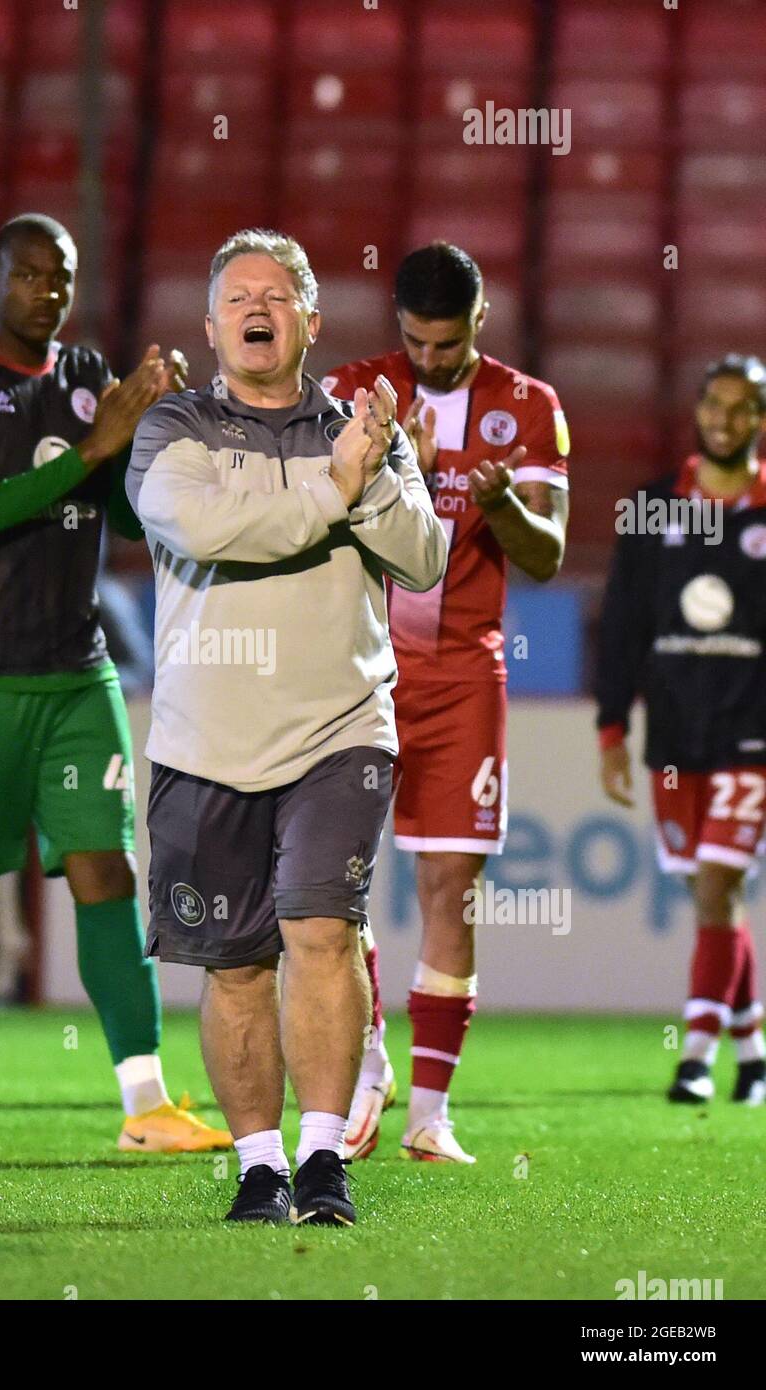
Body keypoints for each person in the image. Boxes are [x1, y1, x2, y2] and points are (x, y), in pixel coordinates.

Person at [0, 214, 231, 1153]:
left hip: (78, 675)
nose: (46, 290)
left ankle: (146, 1103)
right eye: (28, 274)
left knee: (106, 870)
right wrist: (88, 450)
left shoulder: (85, 380)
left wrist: (151, 432)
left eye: (60, 276)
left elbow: (121, 514)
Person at [127, 228, 446, 1224]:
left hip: (338, 727)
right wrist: (333, 485)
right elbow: (214, 530)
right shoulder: (170, 427)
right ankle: (258, 1164)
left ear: (309, 319)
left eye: (278, 293)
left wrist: (375, 467)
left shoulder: (361, 427)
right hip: (201, 737)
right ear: (212, 323)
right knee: (232, 964)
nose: (255, 308)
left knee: (320, 927)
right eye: (236, 296)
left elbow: (424, 554)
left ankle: (319, 1157)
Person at [325, 242, 570, 1163]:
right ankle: (370, 1060)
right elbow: (323, 513)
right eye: (417, 342)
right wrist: (397, 471)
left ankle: (431, 1115)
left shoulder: (529, 406)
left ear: (482, 320)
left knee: (449, 887)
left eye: (449, 342)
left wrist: (501, 506)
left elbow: (545, 554)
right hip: (359, 669)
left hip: (465, 673)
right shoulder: (361, 388)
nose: (430, 360)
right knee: (332, 878)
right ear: (399, 326)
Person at [597, 354, 766, 1106]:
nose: (725, 420)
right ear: (698, 412)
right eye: (715, 406)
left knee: (717, 888)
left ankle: (694, 1058)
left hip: (751, 735)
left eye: (742, 408)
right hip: (672, 737)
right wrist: (610, 729)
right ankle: (754, 1050)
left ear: (760, 419)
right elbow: (623, 626)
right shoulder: (657, 507)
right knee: (713, 896)